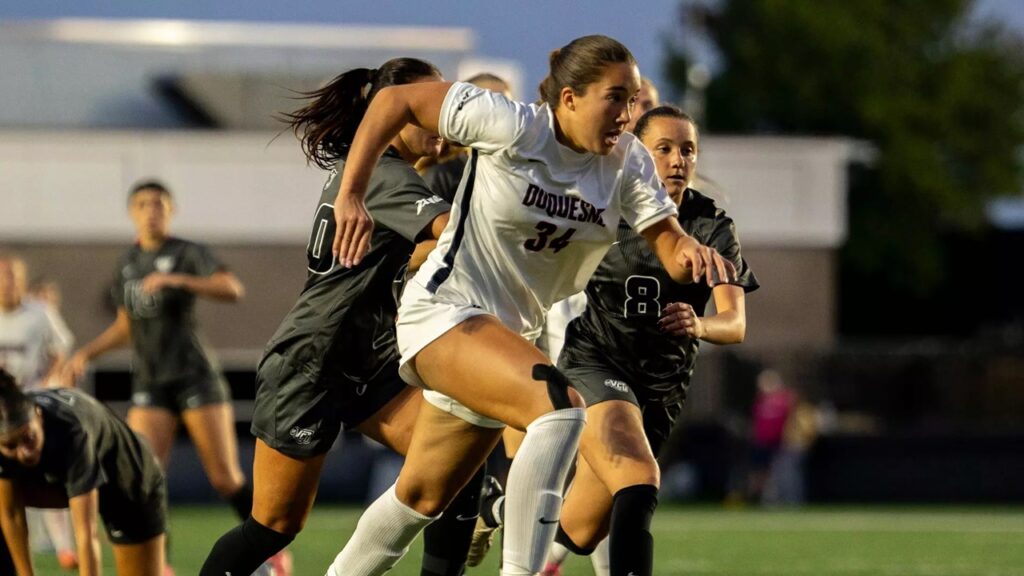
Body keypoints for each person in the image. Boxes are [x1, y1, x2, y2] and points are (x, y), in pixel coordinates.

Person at [327, 35, 735, 576]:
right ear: (569, 99)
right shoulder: (513, 124)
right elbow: (394, 100)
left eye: (633, 98)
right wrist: (350, 193)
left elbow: (670, 245)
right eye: (615, 98)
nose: (627, 113)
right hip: (444, 312)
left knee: (420, 498)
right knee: (560, 405)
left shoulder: (627, 163)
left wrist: (693, 252)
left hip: (505, 338)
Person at [200, 57, 486, 576]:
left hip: (364, 358)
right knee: (274, 525)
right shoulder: (387, 173)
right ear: (397, 112)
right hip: (313, 360)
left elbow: (404, 253)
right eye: (431, 107)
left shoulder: (369, 167)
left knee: (456, 463)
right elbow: (454, 240)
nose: (442, 120)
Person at [470, 105, 759, 576]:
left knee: (583, 531)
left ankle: (497, 513)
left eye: (687, 149)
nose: (677, 160)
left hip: (661, 389)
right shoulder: (605, 206)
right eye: (662, 148)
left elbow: (735, 323)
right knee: (640, 479)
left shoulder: (712, 226)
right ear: (639, 156)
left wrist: (701, 325)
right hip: (597, 365)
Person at [61, 181, 263, 570]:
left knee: (225, 478)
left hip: (196, 378)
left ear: (171, 211)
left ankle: (271, 548)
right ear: (131, 213)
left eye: (158, 203)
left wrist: (178, 280)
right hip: (150, 383)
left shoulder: (187, 252)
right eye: (142, 204)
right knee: (144, 478)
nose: (151, 210)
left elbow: (232, 288)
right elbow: (126, 327)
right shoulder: (126, 264)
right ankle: (161, 565)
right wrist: (86, 353)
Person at [0, 367, 168, 575]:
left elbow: (86, 536)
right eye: (11, 446)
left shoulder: (72, 433)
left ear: (38, 415)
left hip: (128, 480)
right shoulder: (7, 436)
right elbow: (11, 514)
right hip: (59, 482)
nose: (23, 452)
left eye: (29, 438)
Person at [0, 254, 78, 570]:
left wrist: (50, 378)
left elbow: (62, 347)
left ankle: (64, 547)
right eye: (3, 276)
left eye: (13, 276)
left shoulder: (39, 313)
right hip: (1, 414)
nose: (8, 283)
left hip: (33, 410)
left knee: (46, 478)